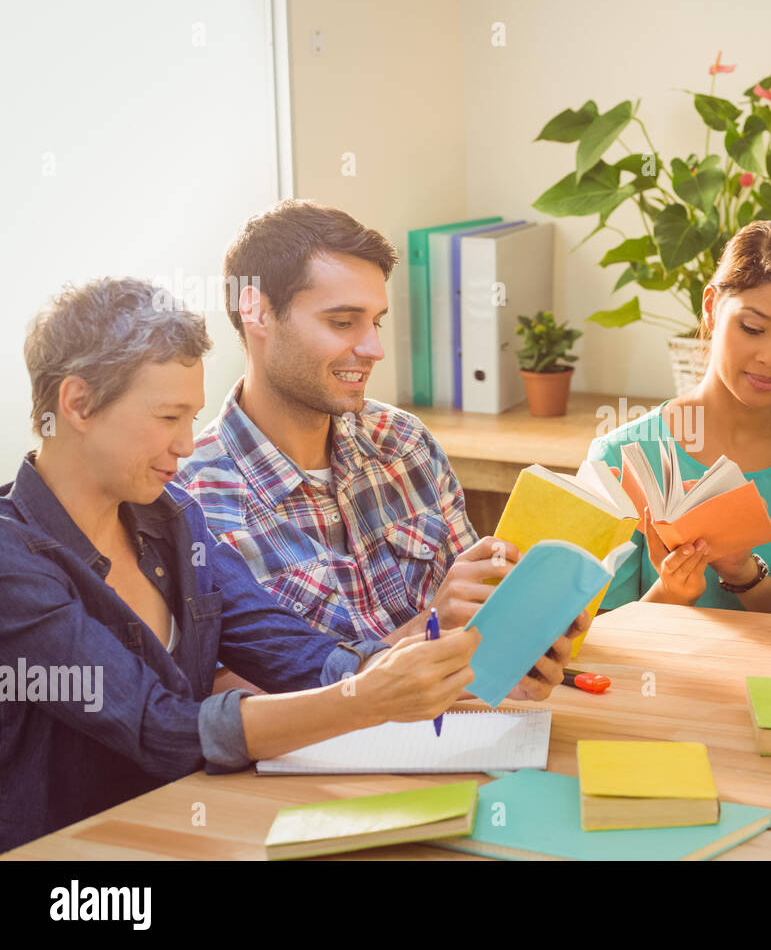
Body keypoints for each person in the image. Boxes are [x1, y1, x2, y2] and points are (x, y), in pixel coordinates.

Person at [0, 278, 480, 852]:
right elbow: (160, 727)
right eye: (167, 417)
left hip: (192, 831)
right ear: (77, 404)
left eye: (192, 417)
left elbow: (295, 652)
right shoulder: (12, 561)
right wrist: (368, 698)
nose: (185, 443)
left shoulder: (174, 520)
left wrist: (451, 668)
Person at [175, 200, 580, 699]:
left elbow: (474, 626)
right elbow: (224, 705)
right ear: (255, 311)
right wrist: (428, 627)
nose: (374, 349)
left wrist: (519, 647)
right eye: (344, 323)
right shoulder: (189, 500)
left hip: (460, 731)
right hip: (311, 774)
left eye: (376, 322)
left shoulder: (404, 444)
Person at [587, 221, 771, 616]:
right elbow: (597, 640)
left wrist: (747, 578)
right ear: (710, 308)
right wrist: (672, 593)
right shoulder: (619, 456)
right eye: (752, 328)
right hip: (661, 679)